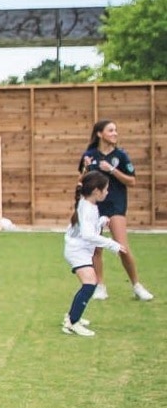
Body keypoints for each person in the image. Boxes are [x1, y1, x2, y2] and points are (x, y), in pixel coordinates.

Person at [78, 120, 151, 302]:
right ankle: (100, 286)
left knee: (122, 247)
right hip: (95, 207)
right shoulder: (89, 155)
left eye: (116, 130)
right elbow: (81, 181)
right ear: (100, 134)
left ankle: (136, 285)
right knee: (96, 249)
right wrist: (86, 169)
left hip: (116, 205)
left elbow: (132, 181)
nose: (115, 133)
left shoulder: (121, 156)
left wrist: (111, 170)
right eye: (111, 130)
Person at [61, 170, 126, 337]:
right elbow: (88, 235)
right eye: (105, 189)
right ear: (96, 191)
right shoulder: (87, 207)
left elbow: (88, 227)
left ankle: (72, 317)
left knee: (91, 283)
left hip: (78, 249)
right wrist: (113, 244)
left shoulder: (87, 205)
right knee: (90, 283)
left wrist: (101, 221)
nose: (107, 192)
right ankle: (73, 323)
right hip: (77, 251)